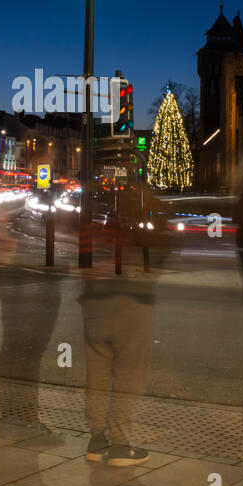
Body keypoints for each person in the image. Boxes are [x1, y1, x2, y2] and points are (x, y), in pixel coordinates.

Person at [80, 182, 169, 467]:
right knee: (129, 374)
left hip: (94, 302)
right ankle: (119, 445)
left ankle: (96, 440)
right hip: (132, 301)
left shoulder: (97, 206)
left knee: (96, 373)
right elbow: (158, 250)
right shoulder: (146, 208)